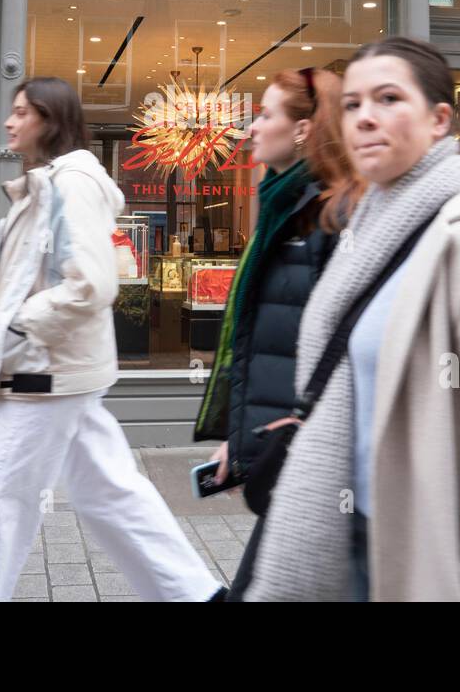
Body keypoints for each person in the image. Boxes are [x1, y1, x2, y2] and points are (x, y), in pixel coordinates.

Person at [244, 37, 460, 602]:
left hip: (424, 555)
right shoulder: (362, 233)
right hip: (346, 530)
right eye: (354, 103)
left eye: (388, 99)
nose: (365, 118)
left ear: (440, 120)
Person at [0, 77, 223, 602]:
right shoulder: (53, 182)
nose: (9, 121)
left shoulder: (72, 183)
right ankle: (197, 595)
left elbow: (92, 282)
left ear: (50, 119)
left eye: (21, 112)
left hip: (44, 377)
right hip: (59, 376)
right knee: (110, 495)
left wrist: (21, 321)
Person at [192, 67, 359, 600]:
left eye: (266, 115)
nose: (251, 128)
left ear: (305, 130)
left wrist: (302, 427)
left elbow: (344, 342)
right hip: (293, 444)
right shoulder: (283, 209)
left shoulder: (329, 217)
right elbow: (268, 344)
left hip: (317, 451)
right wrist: (242, 443)